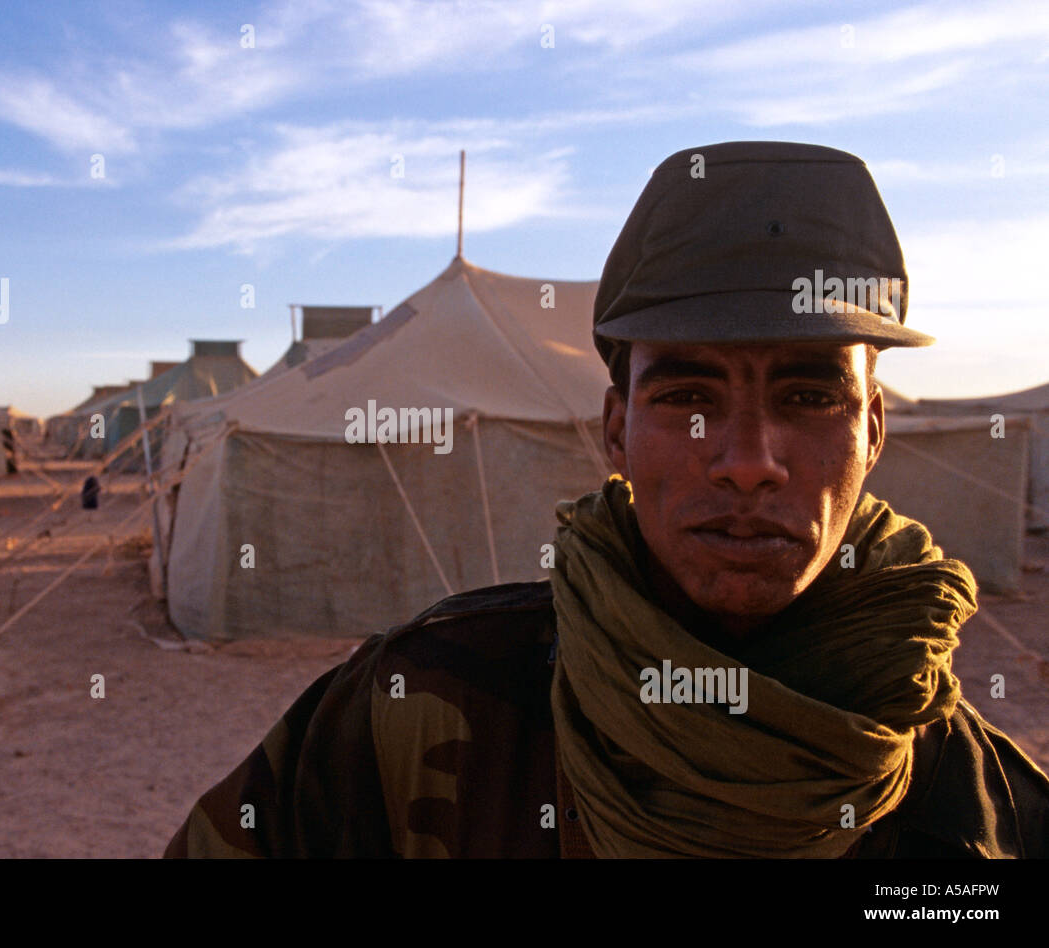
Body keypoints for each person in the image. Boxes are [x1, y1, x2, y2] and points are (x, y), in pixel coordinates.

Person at [165, 141, 1049, 858]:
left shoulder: (980, 810)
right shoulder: (410, 711)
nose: (747, 462)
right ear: (616, 431)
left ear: (875, 430)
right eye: (688, 397)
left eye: (811, 397)